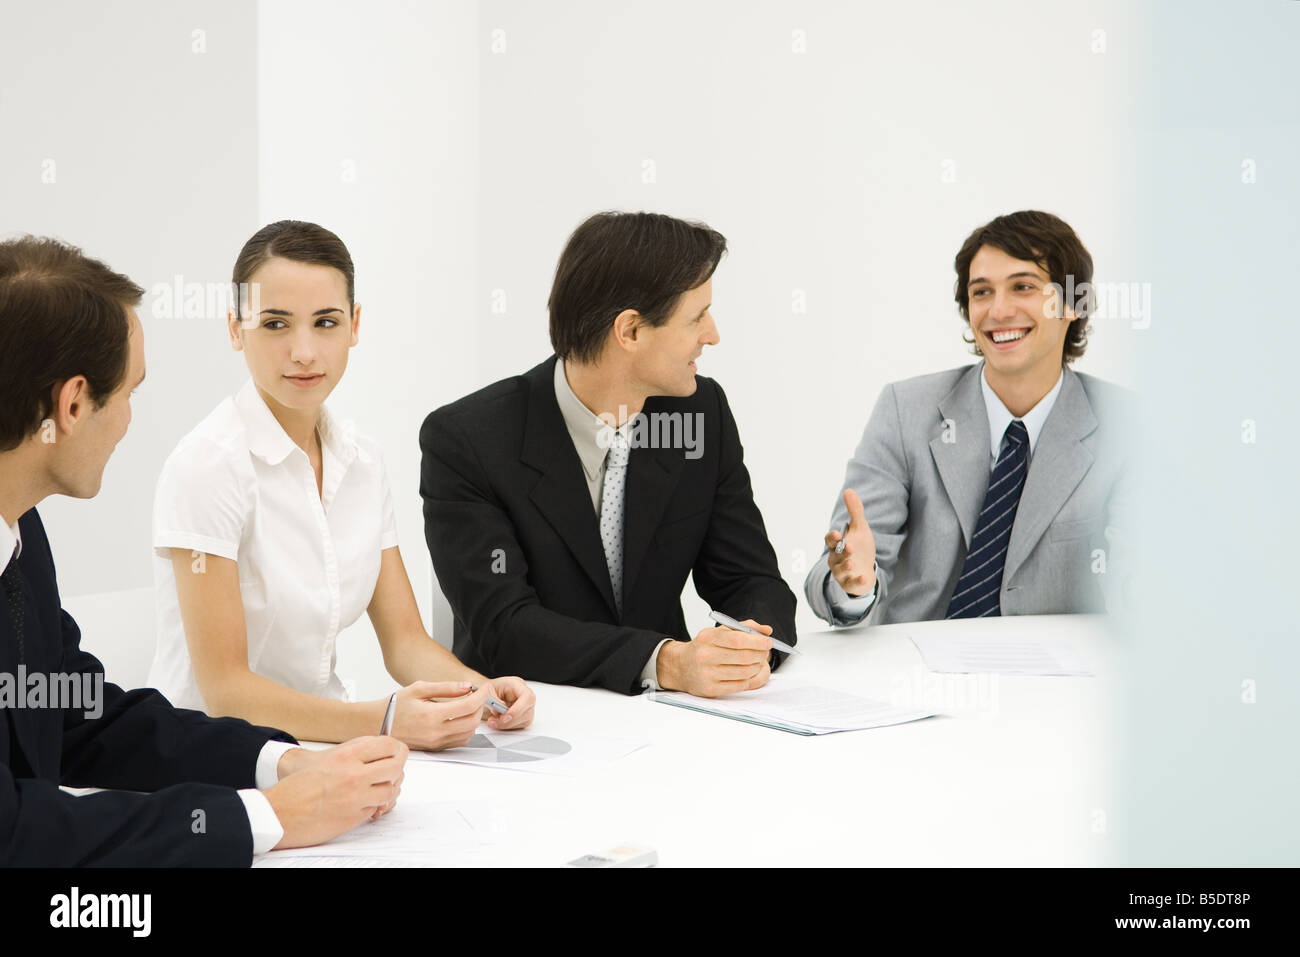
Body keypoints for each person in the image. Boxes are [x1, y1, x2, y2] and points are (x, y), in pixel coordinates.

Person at [0, 236, 408, 866]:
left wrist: (280, 762)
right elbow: (13, 830)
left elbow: (75, 713)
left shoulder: (21, 533)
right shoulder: (210, 463)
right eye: (132, 393)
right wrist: (267, 817)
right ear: (73, 403)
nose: (132, 420)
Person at [148, 221, 535, 749]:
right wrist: (381, 720)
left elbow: (404, 643)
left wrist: (484, 693)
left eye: (325, 322)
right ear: (236, 329)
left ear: (354, 324)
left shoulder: (363, 461)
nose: (304, 352)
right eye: (276, 324)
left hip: (322, 747)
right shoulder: (209, 466)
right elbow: (226, 693)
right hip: (212, 756)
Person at [420, 211, 796, 697]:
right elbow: (505, 627)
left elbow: (750, 579)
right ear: (631, 331)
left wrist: (746, 645)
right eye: (697, 317)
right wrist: (664, 662)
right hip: (527, 726)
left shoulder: (700, 414)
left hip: (671, 726)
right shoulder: (469, 439)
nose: (713, 334)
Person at [805, 210, 1133, 627]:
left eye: (1023, 287)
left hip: (1056, 680)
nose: (998, 311)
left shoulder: (1127, 425)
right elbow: (835, 572)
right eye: (981, 293)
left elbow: (1140, 579)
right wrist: (855, 585)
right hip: (914, 672)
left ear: (1072, 304)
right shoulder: (906, 409)